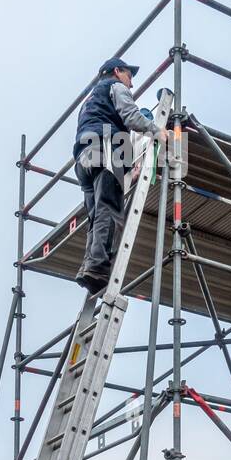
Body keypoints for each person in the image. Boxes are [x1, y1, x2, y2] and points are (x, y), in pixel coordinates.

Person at [72, 57, 166, 292]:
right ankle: (97, 268)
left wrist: (124, 173)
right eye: (129, 76)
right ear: (117, 71)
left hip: (85, 157)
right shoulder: (116, 87)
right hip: (105, 149)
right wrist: (158, 132)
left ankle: (89, 267)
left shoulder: (90, 100)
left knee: (95, 216)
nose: (131, 84)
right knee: (109, 210)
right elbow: (131, 117)